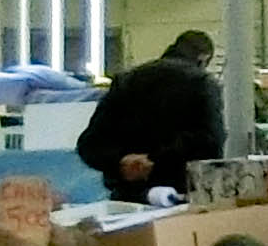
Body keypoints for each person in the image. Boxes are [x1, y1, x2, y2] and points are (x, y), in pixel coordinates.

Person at [76, 28, 225, 195]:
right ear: (203, 59)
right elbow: (211, 145)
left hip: (129, 196)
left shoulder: (126, 80)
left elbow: (89, 145)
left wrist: (120, 162)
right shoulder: (203, 83)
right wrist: (157, 161)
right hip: (183, 194)